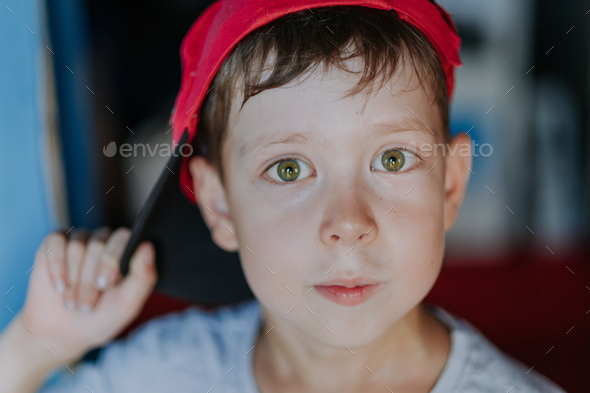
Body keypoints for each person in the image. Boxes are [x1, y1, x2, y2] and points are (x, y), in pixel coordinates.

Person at [0, 0, 567, 392]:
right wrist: (36, 345)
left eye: (392, 160)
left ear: (449, 183)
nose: (348, 222)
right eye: (290, 168)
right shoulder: (164, 372)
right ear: (220, 208)